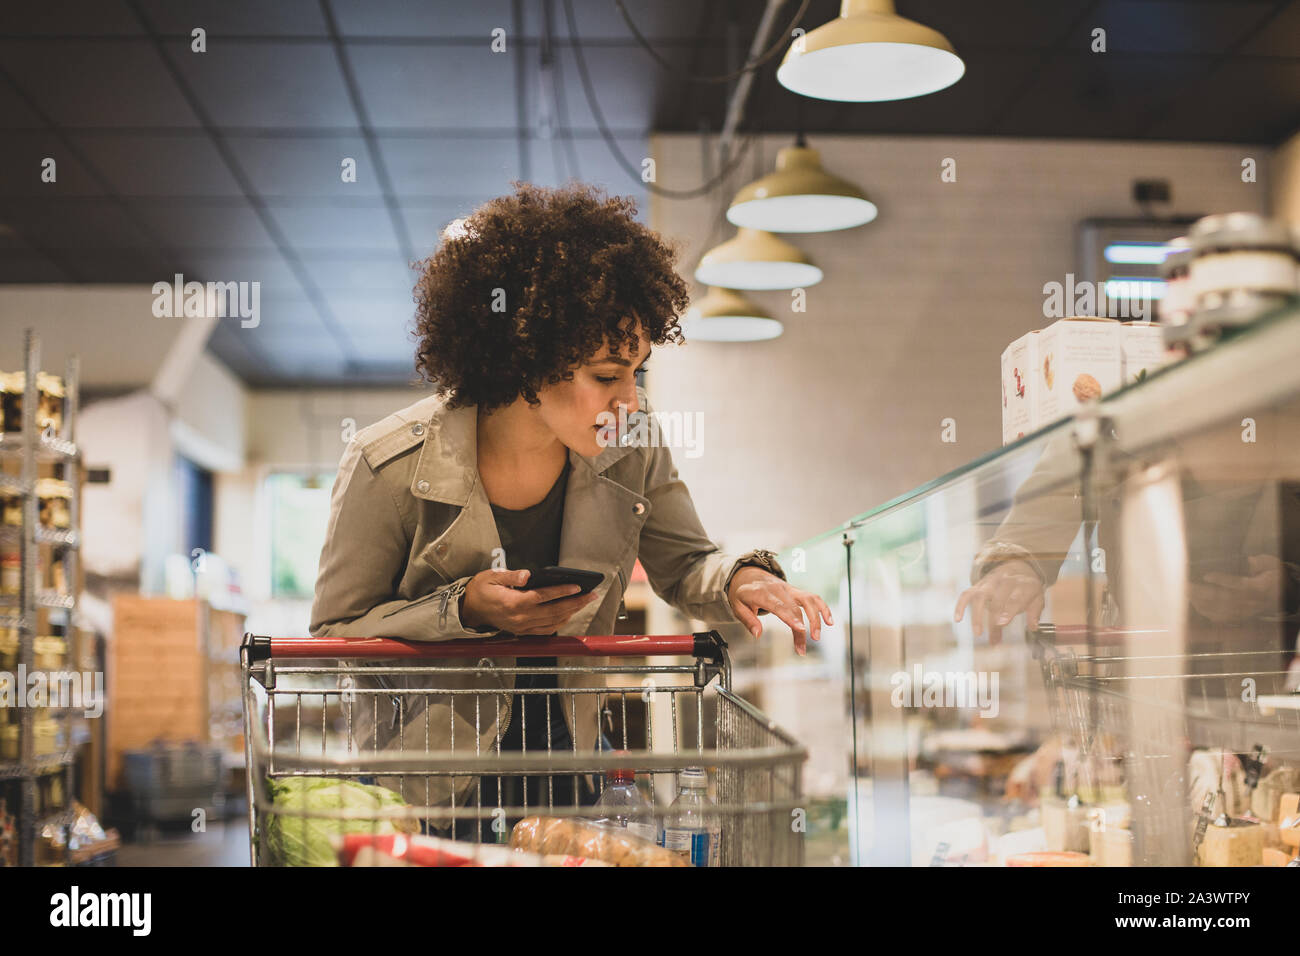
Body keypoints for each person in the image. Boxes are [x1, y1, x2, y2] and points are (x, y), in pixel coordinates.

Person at [309, 181, 831, 839]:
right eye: (606, 375)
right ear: (526, 360)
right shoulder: (386, 464)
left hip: (565, 756)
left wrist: (740, 579)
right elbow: (330, 640)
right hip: (427, 778)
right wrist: (462, 609)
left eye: (638, 372)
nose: (632, 401)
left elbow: (687, 562)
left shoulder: (632, 445)